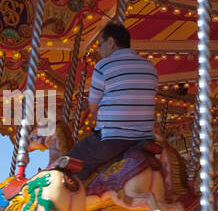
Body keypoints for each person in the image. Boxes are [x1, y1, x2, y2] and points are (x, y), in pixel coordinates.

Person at [56, 23, 159, 180]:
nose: (98, 49)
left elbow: (93, 105)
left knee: (69, 164)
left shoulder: (103, 66)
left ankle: (71, 193)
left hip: (114, 138)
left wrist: (102, 123)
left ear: (111, 42)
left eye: (100, 43)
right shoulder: (150, 67)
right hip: (145, 137)